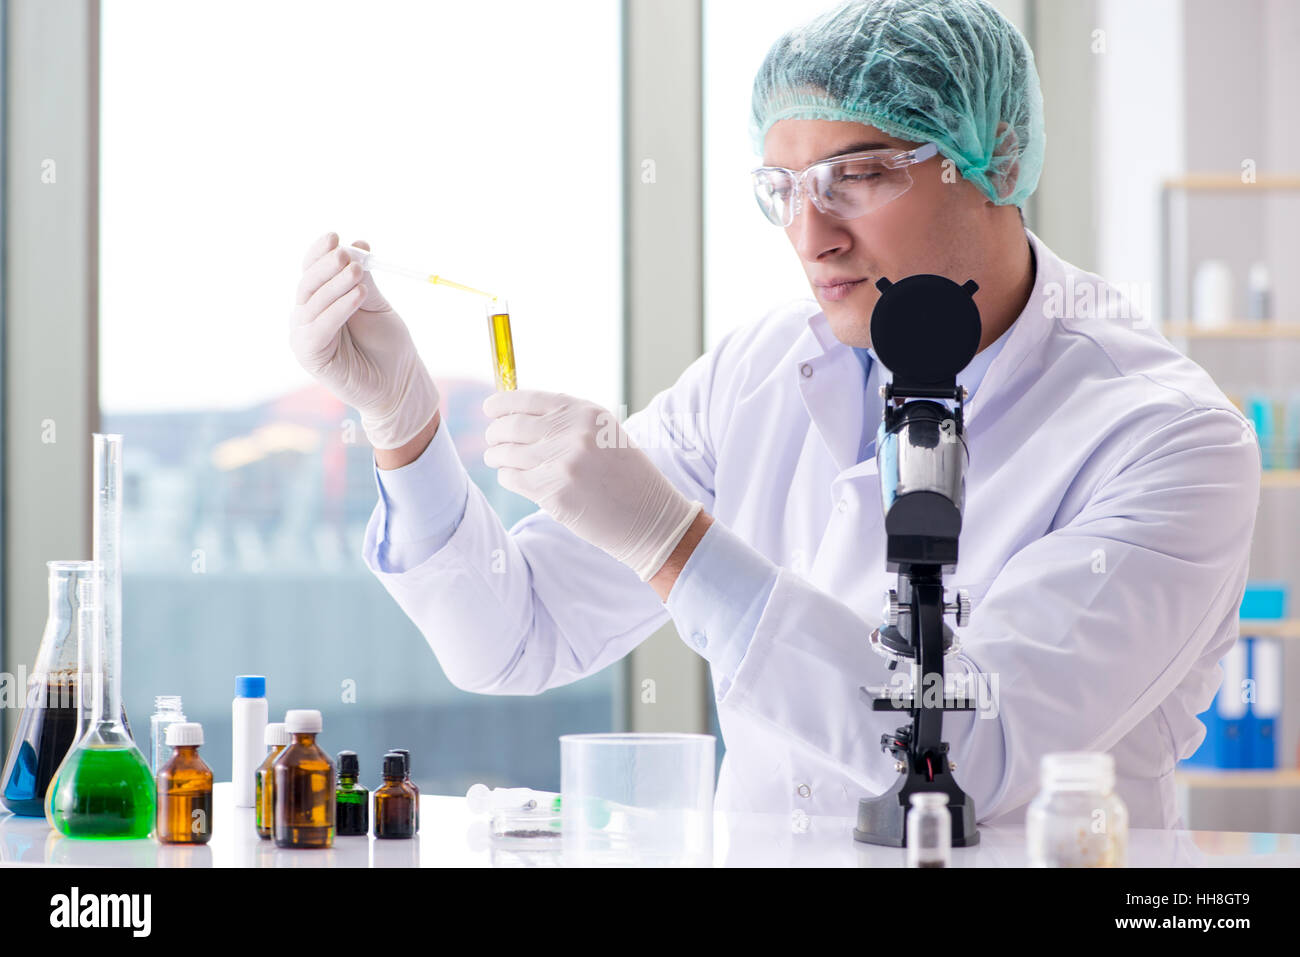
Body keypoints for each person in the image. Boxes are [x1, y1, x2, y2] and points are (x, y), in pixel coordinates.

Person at [289, 0, 1260, 828]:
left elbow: (972, 747)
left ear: (991, 159)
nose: (810, 235)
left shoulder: (1165, 438)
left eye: (858, 174)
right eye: (782, 188)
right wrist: (403, 425)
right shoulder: (758, 371)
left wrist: (675, 544)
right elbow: (515, 638)